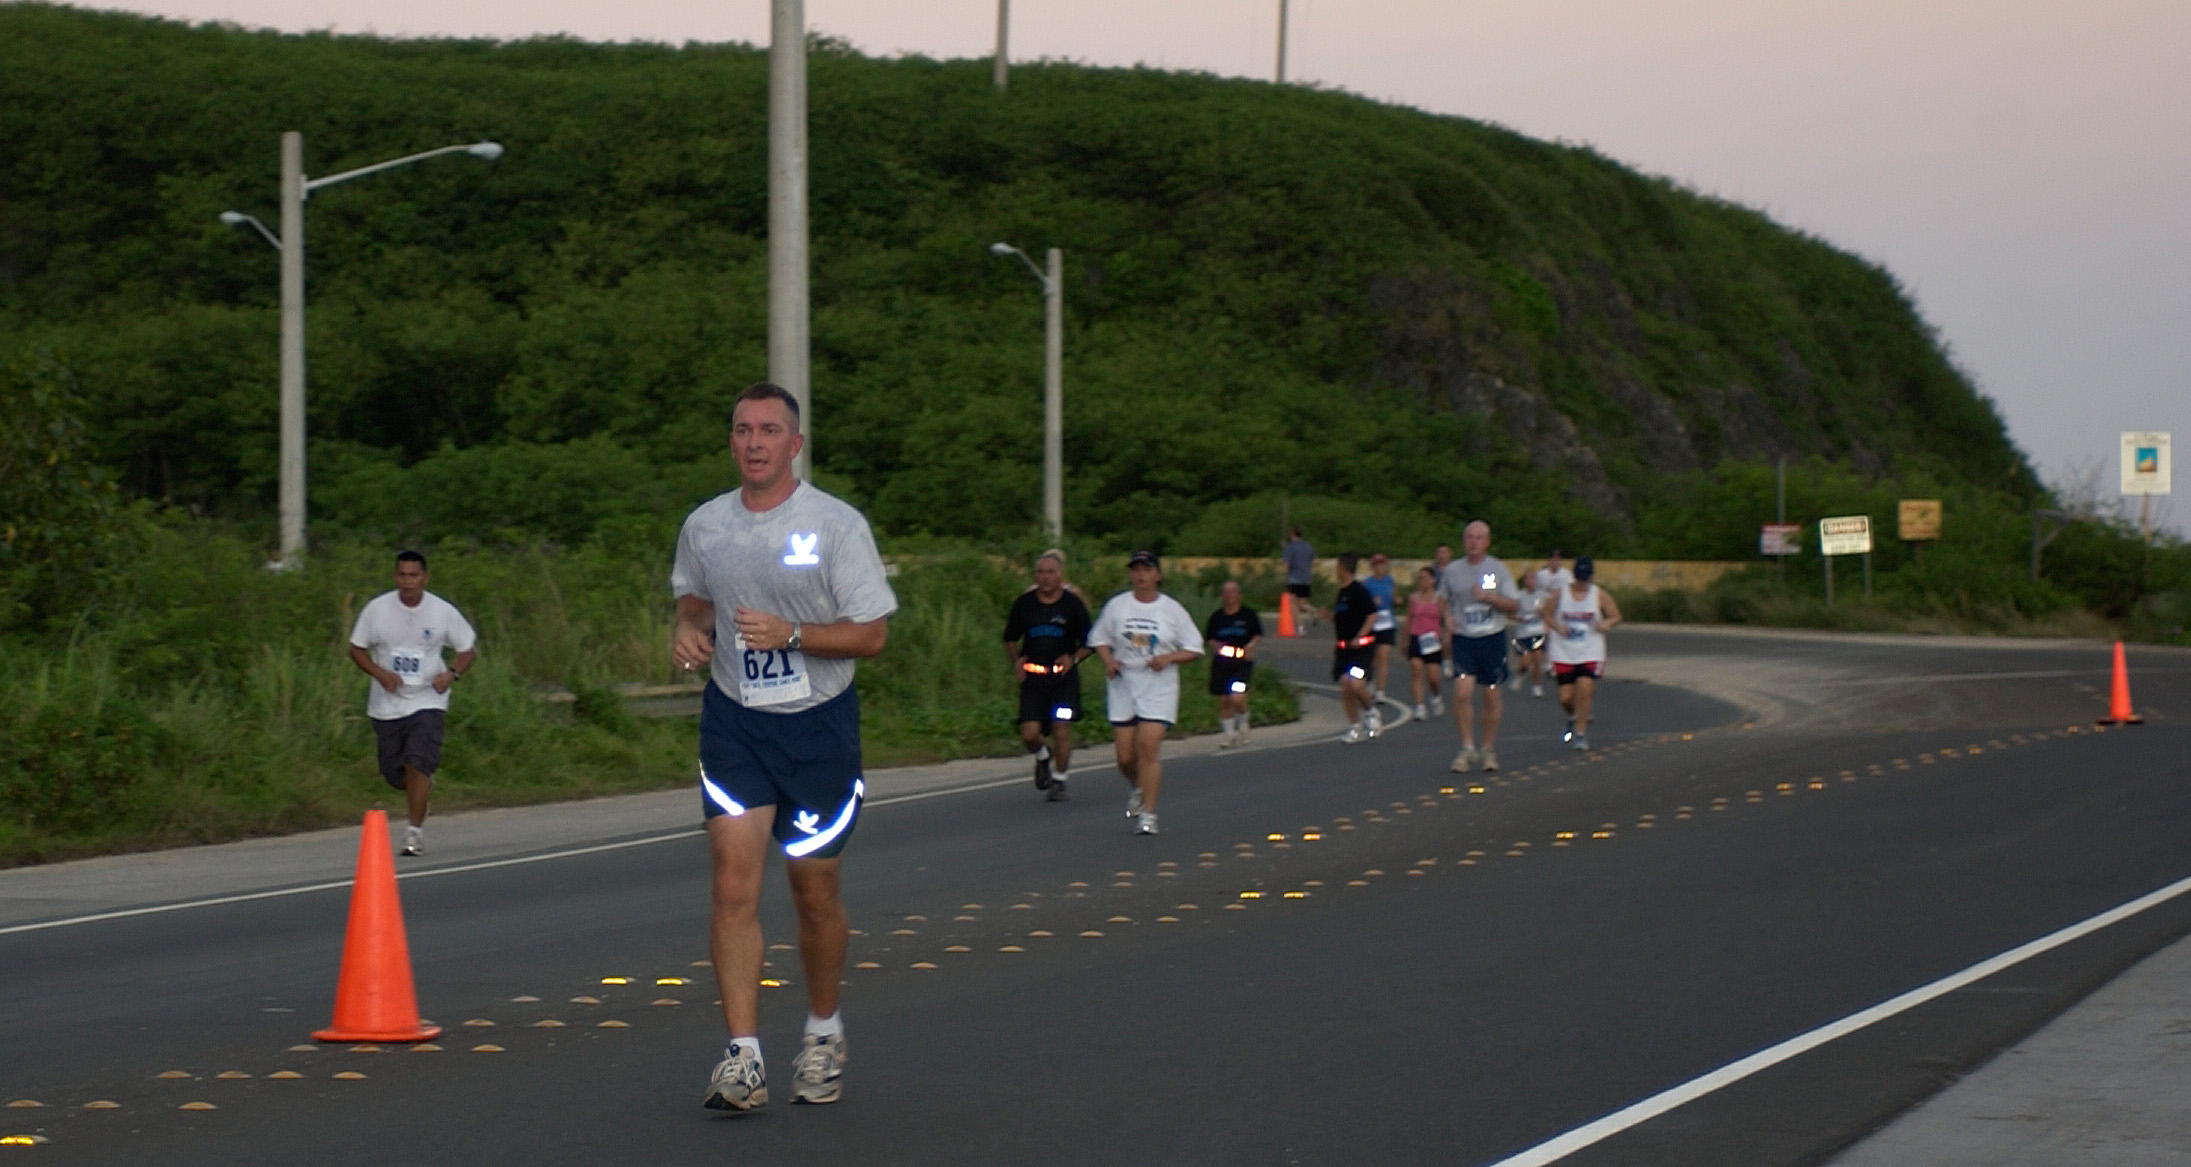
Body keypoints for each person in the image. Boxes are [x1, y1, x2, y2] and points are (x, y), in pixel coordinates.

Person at [673, 383, 898, 1113]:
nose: (754, 442)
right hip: (735, 718)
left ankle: (823, 1030)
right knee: (732, 884)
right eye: (742, 429)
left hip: (818, 724)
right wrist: (689, 626)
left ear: (794, 445)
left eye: (770, 430)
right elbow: (694, 594)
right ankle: (742, 1058)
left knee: (813, 891)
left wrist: (793, 633)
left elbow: (871, 633)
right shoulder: (706, 525)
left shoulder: (835, 525)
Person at [347, 551, 478, 859]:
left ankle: (413, 833)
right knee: (395, 773)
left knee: (417, 759)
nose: (408, 582)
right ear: (395, 578)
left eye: (414, 576)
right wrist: (380, 673)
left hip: (427, 699)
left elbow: (467, 649)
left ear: (425, 578)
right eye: (402, 575)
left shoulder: (442, 611)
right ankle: (421, 791)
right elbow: (356, 648)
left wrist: (452, 674)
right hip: (387, 704)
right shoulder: (377, 610)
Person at [1088, 551, 1204, 835]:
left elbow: (1195, 648)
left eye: (1146, 570)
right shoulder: (1117, 606)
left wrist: (1168, 658)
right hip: (1124, 685)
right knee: (1125, 758)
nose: (1140, 576)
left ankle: (1149, 816)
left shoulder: (1172, 610)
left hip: (1158, 687)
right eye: (1136, 570)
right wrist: (1109, 662)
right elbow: (1098, 639)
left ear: (1157, 575)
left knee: (1148, 749)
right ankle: (1138, 786)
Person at [1003, 550, 1093, 801]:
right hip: (1033, 679)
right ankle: (1043, 756)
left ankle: (1059, 781)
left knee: (1061, 729)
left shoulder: (1072, 605)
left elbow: (1091, 642)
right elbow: (1009, 637)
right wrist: (1016, 661)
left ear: (1060, 575)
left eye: (1050, 572)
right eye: (1040, 573)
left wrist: (1073, 658)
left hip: (1062, 680)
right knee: (1029, 733)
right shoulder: (1024, 605)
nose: (1045, 578)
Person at [1439, 521, 1520, 772]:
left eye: (1478, 538)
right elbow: (1442, 599)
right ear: (1464, 541)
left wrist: (1489, 597)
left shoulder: (1498, 569)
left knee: (1491, 695)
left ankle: (1488, 749)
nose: (1473, 542)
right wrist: (1447, 618)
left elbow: (1514, 605)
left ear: (1487, 541)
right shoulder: (1452, 571)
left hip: (1491, 638)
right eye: (1469, 537)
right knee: (1462, 693)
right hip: (1464, 639)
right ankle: (1466, 748)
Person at [1543, 556, 1623, 752]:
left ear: (1591, 577)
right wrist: (1557, 626)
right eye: (1579, 578)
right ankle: (1574, 715)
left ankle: (1580, 734)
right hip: (1563, 651)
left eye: (1585, 578)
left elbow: (1616, 616)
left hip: (1590, 650)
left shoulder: (1599, 595)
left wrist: (1606, 624)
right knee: (1565, 697)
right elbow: (1545, 613)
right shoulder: (1560, 594)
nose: (1582, 582)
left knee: (1585, 689)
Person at [1326, 553, 1382, 743]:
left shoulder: (1358, 590)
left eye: (1337, 566)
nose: (1336, 570)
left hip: (1361, 649)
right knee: (1346, 687)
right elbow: (1342, 618)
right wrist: (1326, 615)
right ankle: (1355, 727)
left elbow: (1372, 615)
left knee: (1356, 683)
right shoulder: (1341, 593)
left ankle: (1372, 711)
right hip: (1343, 649)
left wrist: (1360, 636)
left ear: (1343, 567)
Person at [1203, 579, 1264, 748]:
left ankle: (1243, 722)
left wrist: (1250, 646)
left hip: (1241, 663)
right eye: (1226, 592)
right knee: (1224, 700)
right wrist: (1216, 646)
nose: (1229, 596)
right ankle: (1229, 735)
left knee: (1237, 696)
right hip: (1222, 663)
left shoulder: (1248, 615)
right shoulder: (1217, 617)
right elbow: (1210, 638)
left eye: (1233, 592)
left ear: (1239, 595)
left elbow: (1257, 634)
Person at [1403, 565, 1447, 721]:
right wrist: (1405, 640)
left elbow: (1446, 619)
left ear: (1433, 580)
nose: (1421, 581)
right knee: (1416, 669)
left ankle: (1436, 696)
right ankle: (1420, 706)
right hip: (1416, 636)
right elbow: (1409, 618)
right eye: (1419, 578)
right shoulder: (1413, 598)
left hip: (1432, 640)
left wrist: (1446, 638)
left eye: (1424, 577)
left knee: (1433, 677)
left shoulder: (1439, 599)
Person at [1361, 553, 1399, 700]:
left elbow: (1394, 598)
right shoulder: (1367, 583)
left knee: (1384, 657)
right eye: (1377, 564)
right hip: (1372, 624)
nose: (1380, 567)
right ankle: (1369, 681)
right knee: (1372, 658)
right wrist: (1371, 602)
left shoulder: (1389, 581)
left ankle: (1381, 691)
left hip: (1387, 624)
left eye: (1382, 564)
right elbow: (1361, 604)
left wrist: (1397, 600)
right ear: (1373, 567)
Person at [1282, 527, 1317, 631]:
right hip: (1306, 578)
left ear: (1292, 534)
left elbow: (1286, 565)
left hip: (1294, 578)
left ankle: (1301, 627)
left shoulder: (1290, 547)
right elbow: (1314, 561)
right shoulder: (1308, 546)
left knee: (1293, 604)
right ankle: (1313, 611)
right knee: (1302, 604)